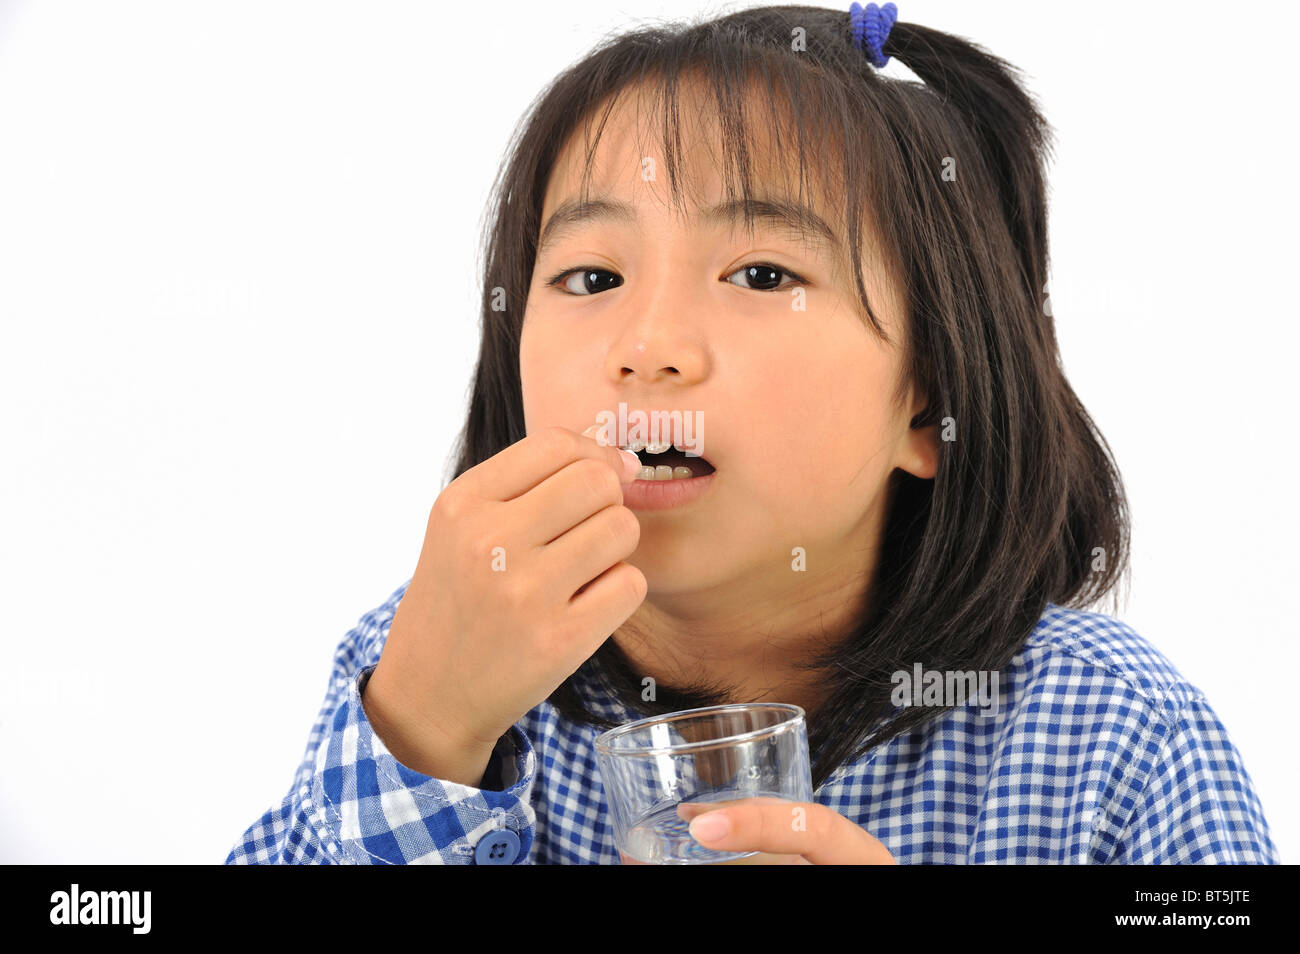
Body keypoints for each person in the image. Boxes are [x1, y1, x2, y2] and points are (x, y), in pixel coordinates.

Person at [225, 3, 1279, 864]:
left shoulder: (1110, 736)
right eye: (590, 277)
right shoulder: (432, 661)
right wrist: (423, 732)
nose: (647, 347)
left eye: (762, 274)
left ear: (928, 405)